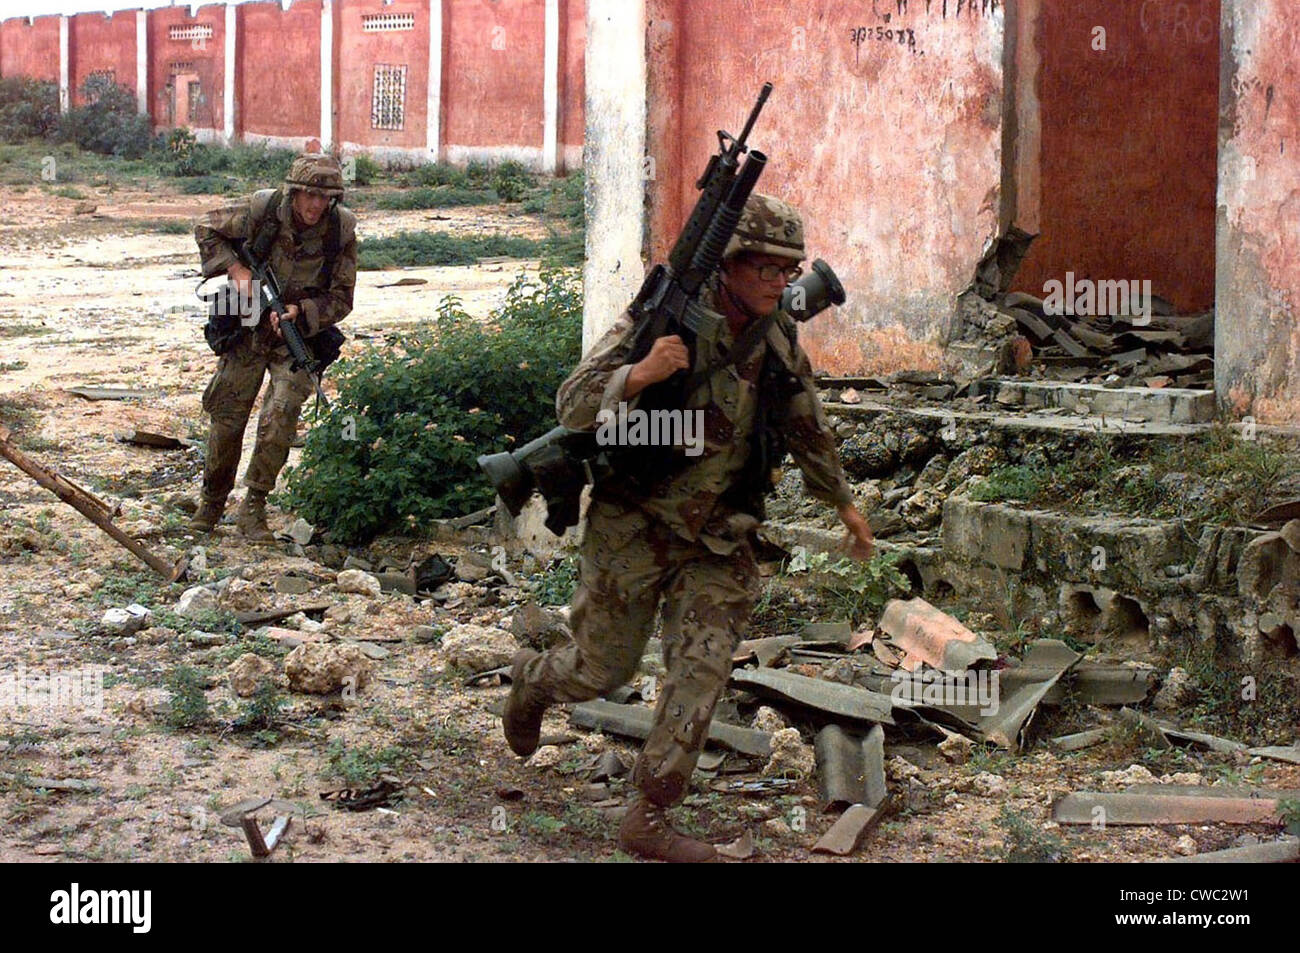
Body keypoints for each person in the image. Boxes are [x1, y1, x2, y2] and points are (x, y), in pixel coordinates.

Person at [502, 193, 875, 862]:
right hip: (635, 522)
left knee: (699, 669)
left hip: (718, 532)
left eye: (788, 270)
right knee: (600, 669)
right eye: (765, 267)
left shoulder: (778, 331)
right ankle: (534, 678)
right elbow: (574, 400)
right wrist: (639, 374)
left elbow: (806, 423)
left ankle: (649, 812)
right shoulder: (667, 318)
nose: (779, 281)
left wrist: (842, 505)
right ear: (731, 264)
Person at [188, 153, 357, 539]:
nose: (316, 205)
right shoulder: (262, 209)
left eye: (325, 197)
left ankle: (254, 506)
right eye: (310, 195)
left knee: (281, 414)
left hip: (296, 338)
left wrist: (303, 311)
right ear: (295, 192)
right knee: (228, 415)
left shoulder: (340, 231)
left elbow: (342, 299)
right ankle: (211, 503)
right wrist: (235, 268)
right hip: (247, 329)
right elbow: (205, 227)